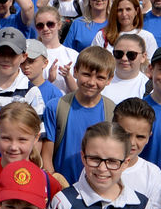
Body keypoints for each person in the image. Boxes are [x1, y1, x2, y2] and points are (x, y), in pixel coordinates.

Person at [42, 46, 116, 185]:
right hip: (61, 187)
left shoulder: (112, 111)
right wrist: (56, 185)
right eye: (86, 74)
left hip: (97, 187)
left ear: (109, 79)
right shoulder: (56, 107)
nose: (91, 82)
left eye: (100, 77)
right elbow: (46, 157)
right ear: (75, 71)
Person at [0, 29, 45, 115]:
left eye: (13, 54)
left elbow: (37, 123)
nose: (6, 59)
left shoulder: (31, 92)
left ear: (24, 56)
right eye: (1, 53)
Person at [101, 33, 150, 103]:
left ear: (143, 57)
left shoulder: (147, 87)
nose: (124, 58)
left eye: (131, 54)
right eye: (119, 53)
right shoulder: (100, 78)